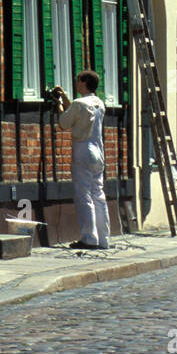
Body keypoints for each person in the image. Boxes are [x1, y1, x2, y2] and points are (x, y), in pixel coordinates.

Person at [53, 70, 109, 249]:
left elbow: (64, 122)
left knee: (84, 195)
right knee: (98, 195)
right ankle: (103, 238)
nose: (77, 84)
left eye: (78, 81)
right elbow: (77, 111)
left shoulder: (78, 104)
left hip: (83, 150)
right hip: (98, 152)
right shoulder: (99, 103)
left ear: (84, 82)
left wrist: (58, 104)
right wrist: (66, 98)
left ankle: (89, 238)